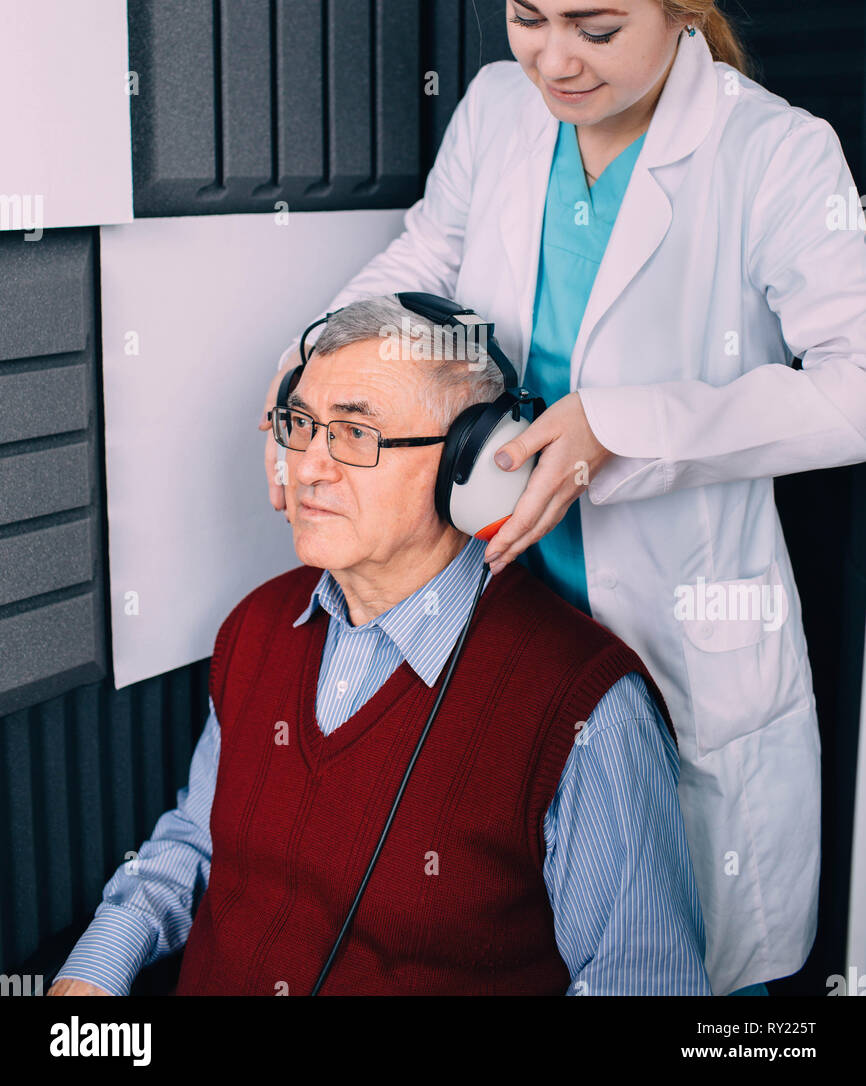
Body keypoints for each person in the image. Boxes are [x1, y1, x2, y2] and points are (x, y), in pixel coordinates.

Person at [259, 0, 866, 995]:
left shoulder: (775, 156)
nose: (551, 59)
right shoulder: (497, 109)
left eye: (593, 25)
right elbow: (425, 258)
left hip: (676, 640)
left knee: (676, 968)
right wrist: (314, 352)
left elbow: (855, 390)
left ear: (681, 0)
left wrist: (620, 427)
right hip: (499, 612)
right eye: (524, 15)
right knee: (511, 936)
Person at [49, 298, 711, 996]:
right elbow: (198, 841)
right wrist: (92, 977)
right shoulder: (255, 628)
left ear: (473, 468)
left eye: (355, 435)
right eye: (300, 426)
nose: (305, 468)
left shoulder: (586, 709)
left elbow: (641, 983)